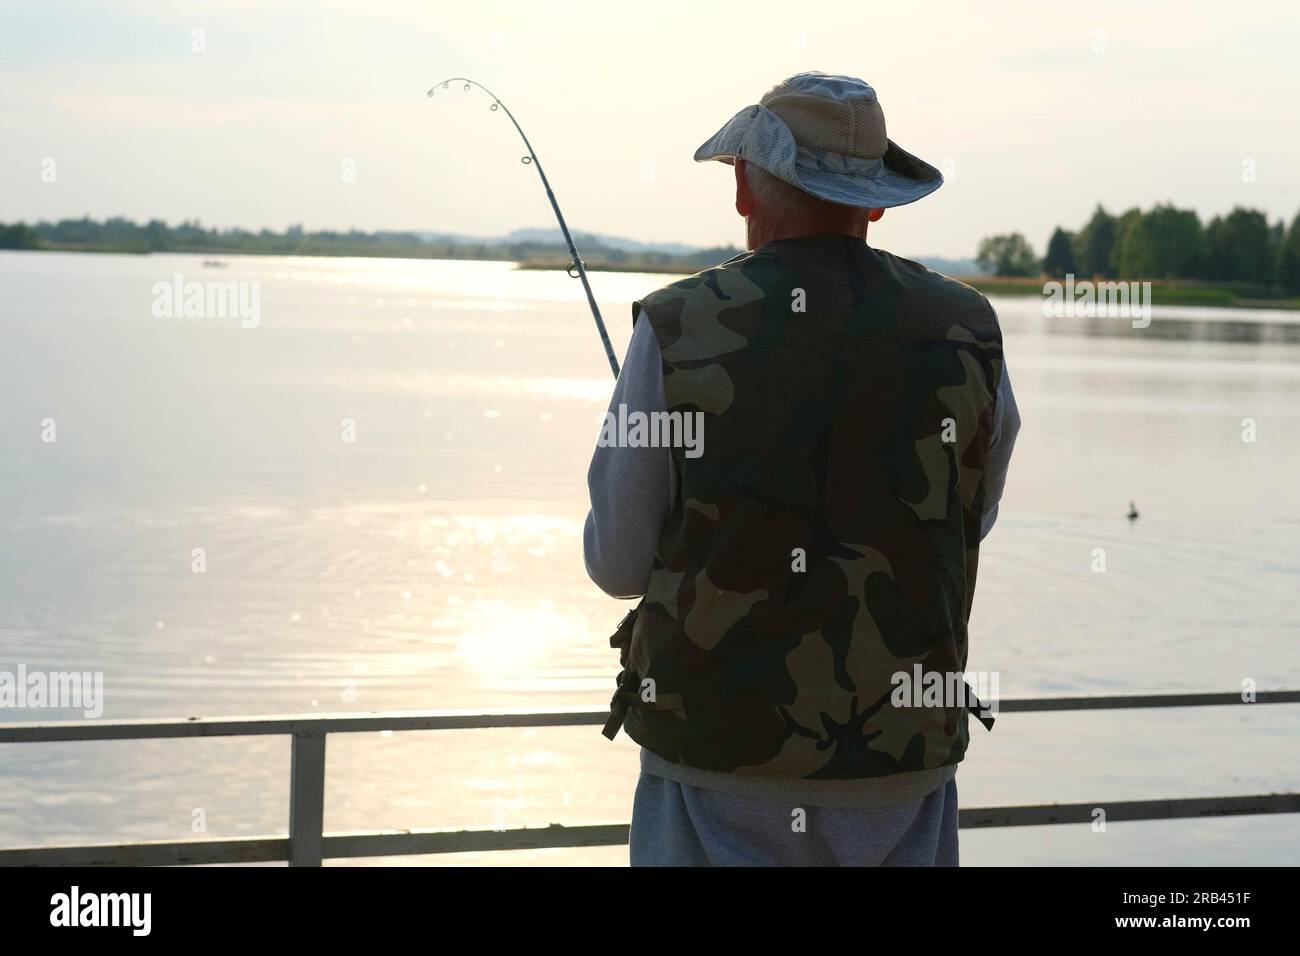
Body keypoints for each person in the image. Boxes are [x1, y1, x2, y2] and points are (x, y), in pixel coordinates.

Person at [584, 72, 1020, 866]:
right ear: (878, 201)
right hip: (901, 765)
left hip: (713, 763)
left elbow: (617, 564)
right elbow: (965, 520)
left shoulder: (677, 326)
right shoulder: (969, 330)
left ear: (747, 185)